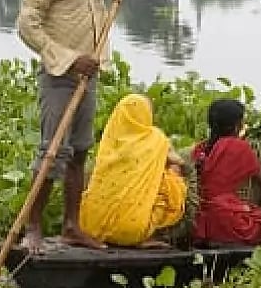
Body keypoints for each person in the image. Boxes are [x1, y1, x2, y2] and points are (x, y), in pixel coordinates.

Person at [15, 0, 174, 253]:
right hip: (61, 77)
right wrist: (70, 59)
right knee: (52, 151)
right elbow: (27, 26)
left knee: (80, 150)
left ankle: (71, 225)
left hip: (89, 78)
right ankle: (32, 225)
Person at [79, 93, 187, 248]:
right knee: (172, 175)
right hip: (132, 231)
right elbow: (179, 161)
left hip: (91, 227)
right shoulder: (156, 138)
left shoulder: (110, 138)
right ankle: (148, 236)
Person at [191, 99, 261, 247]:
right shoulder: (239, 147)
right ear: (236, 124)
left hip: (199, 218)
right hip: (225, 215)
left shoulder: (200, 148)